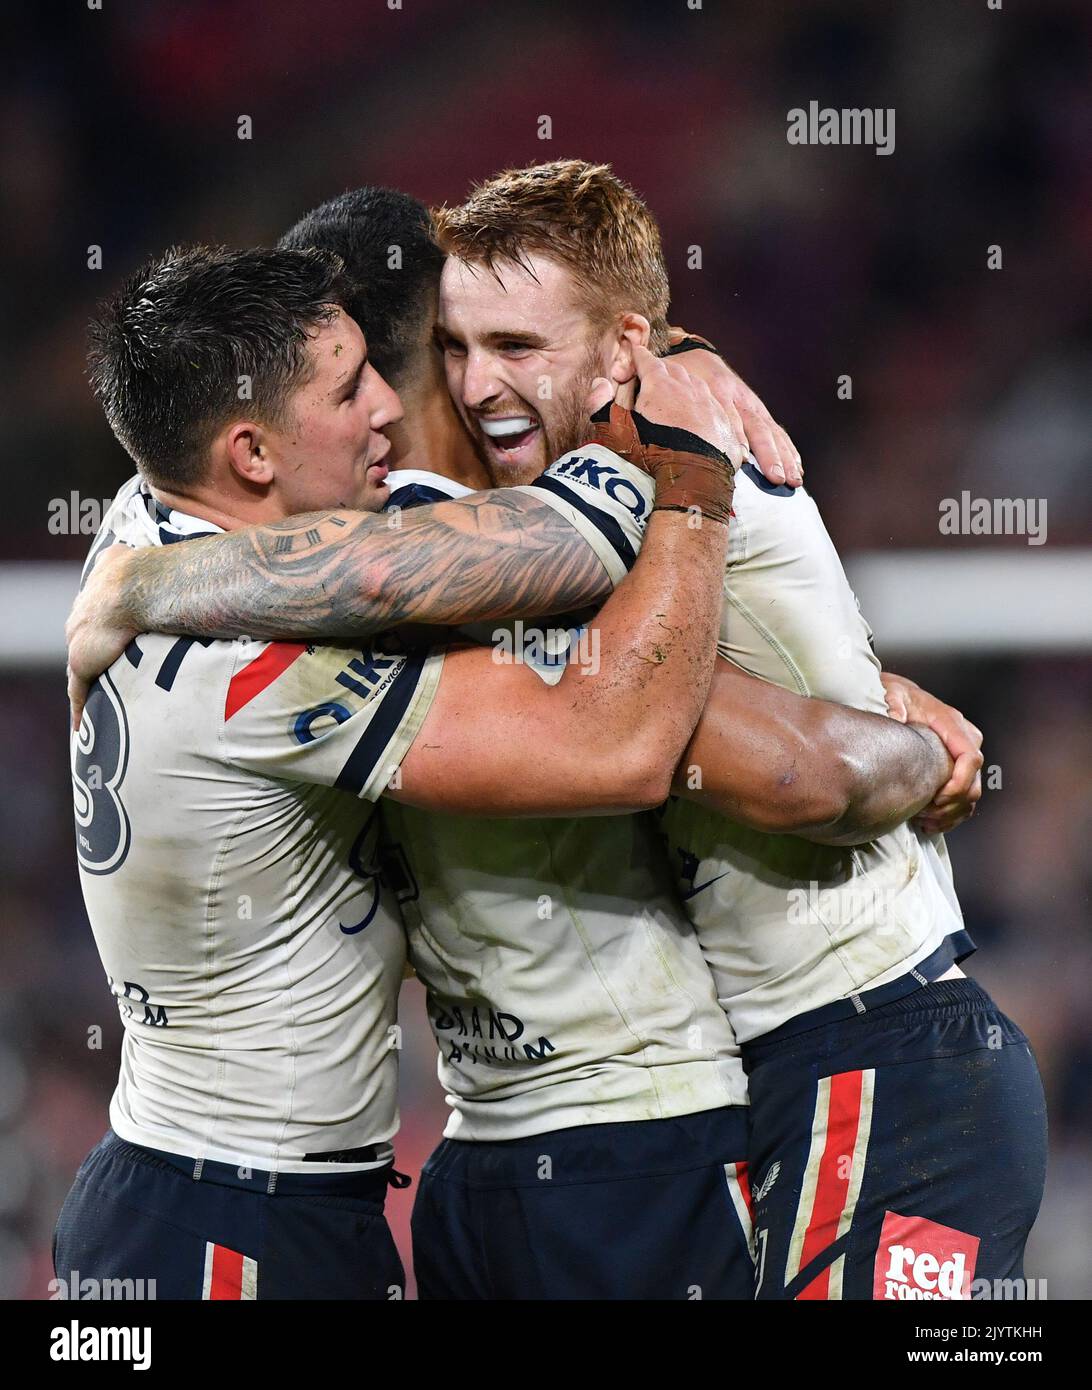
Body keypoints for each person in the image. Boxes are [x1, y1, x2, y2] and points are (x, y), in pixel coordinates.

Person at [66, 183, 965, 1300]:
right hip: (286, 1212)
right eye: (355, 390)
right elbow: (632, 736)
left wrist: (665, 349)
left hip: (261, 1187)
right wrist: (671, 439)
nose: (388, 413)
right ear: (254, 449)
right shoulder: (309, 622)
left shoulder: (152, 512)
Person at [435, 159, 1047, 1301]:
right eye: (457, 348)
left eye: (518, 347)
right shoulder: (643, 459)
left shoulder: (635, 498)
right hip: (867, 1060)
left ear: (623, 349)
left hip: (878, 1059)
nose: (476, 384)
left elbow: (804, 779)